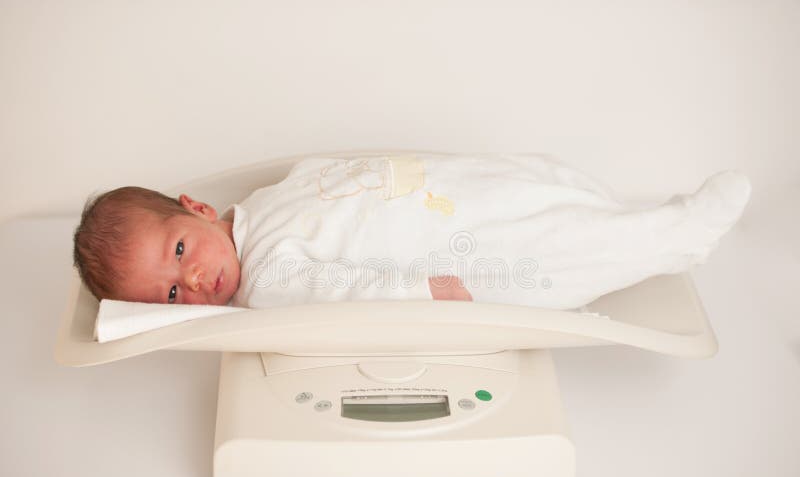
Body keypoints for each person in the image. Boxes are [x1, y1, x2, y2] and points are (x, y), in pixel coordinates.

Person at [73, 154, 751, 310]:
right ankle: (675, 238)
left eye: (179, 252)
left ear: (195, 208)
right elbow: (342, 296)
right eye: (168, 297)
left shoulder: (257, 205)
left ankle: (630, 215)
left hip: (441, 194)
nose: (191, 282)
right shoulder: (268, 283)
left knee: (535, 187)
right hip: (442, 256)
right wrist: (422, 293)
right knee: (547, 258)